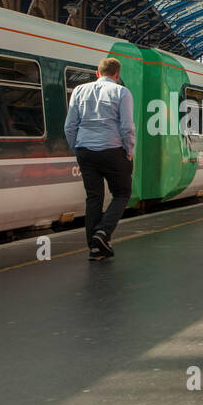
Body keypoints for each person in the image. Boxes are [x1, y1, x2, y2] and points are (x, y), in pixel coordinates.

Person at [64, 56, 136, 261]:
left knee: (93, 198)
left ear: (97, 73)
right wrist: (129, 150)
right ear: (117, 75)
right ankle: (102, 233)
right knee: (122, 194)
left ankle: (95, 249)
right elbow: (127, 127)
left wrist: (76, 149)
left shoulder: (79, 90)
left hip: (85, 151)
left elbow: (70, 125)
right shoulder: (122, 92)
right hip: (113, 150)